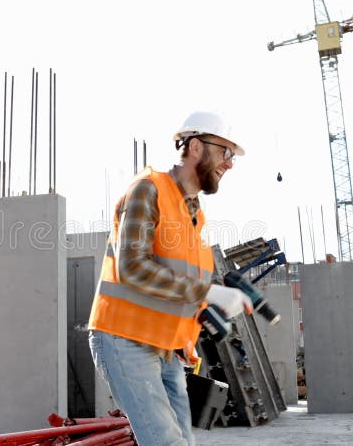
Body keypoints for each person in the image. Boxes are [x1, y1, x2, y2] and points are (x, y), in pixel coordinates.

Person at [88, 111, 253, 445]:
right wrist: (210, 293)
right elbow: (133, 268)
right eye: (225, 152)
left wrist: (194, 324)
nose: (230, 164)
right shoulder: (148, 190)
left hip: (166, 350)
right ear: (195, 147)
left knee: (183, 441)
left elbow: (176, 284)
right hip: (124, 340)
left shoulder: (193, 214)